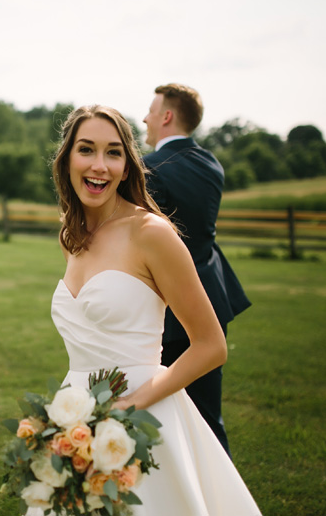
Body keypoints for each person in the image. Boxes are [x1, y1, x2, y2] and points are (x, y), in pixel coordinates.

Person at [27, 104, 259, 515]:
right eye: (87, 149)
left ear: (128, 165)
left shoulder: (152, 234)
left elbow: (211, 345)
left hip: (143, 414)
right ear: (66, 160)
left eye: (113, 152)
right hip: (74, 417)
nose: (100, 165)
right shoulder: (73, 236)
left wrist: (129, 406)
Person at [141, 83, 251, 456]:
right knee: (207, 413)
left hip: (168, 308)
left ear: (167, 116)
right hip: (213, 296)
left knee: (160, 410)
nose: (145, 118)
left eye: (152, 111)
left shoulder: (151, 168)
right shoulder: (210, 164)